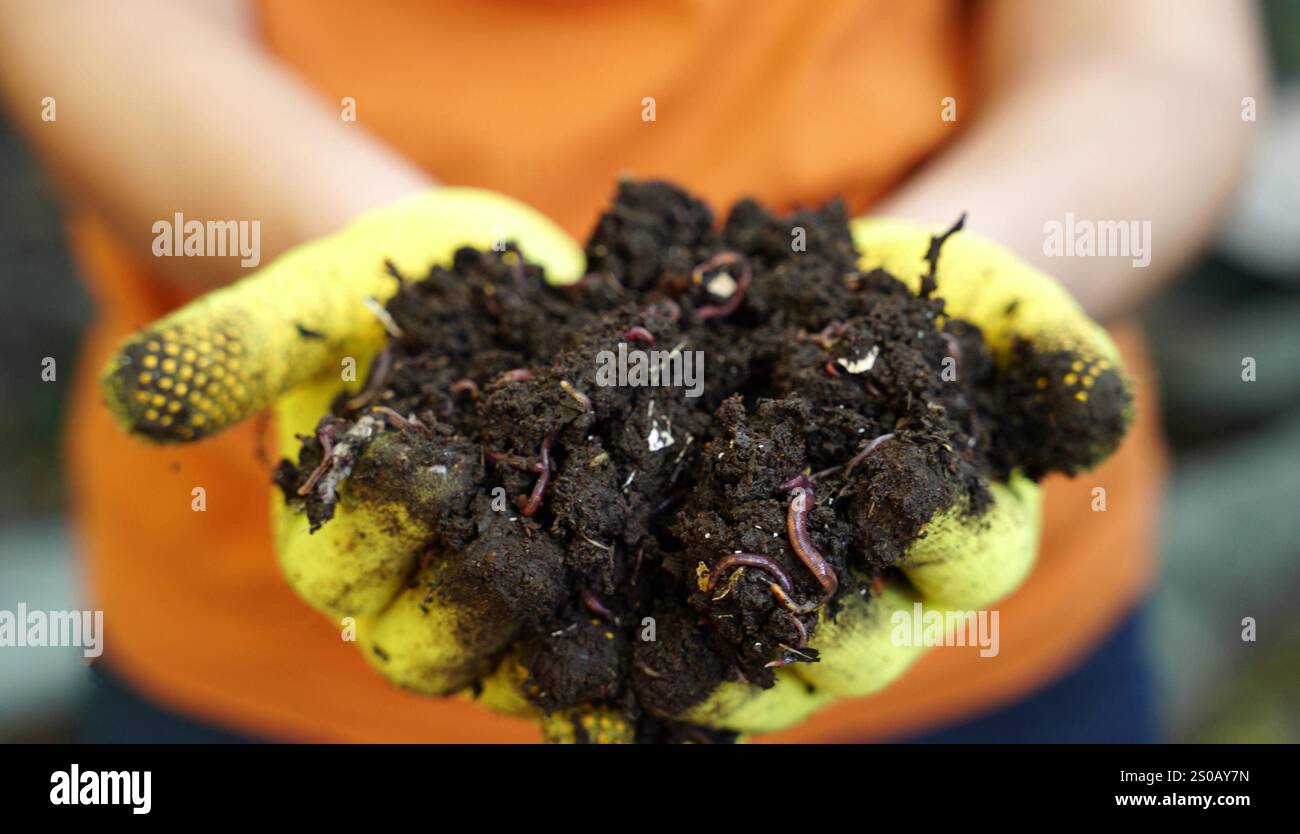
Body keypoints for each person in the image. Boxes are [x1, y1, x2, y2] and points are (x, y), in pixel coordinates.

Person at [0, 0, 1263, 742]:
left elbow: (1148, 50)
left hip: (978, 656)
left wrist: (970, 303)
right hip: (262, 663)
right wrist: (343, 241)